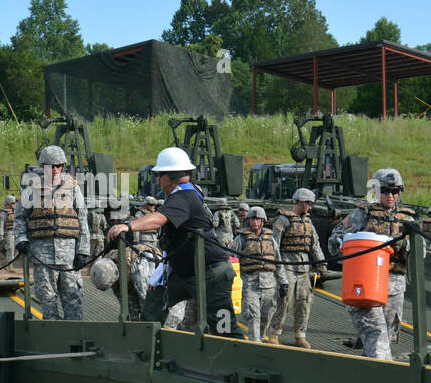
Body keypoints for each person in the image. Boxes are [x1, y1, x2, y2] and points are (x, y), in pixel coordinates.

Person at [107, 147, 236, 336]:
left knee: (224, 329)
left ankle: (236, 359)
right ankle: (148, 347)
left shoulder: (183, 197)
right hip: (185, 273)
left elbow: (159, 218)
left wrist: (128, 226)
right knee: (155, 301)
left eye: (160, 175)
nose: (158, 179)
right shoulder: (186, 193)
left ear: (172, 176)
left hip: (211, 274)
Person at [328, 168, 416, 360]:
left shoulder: (408, 218)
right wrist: (346, 241)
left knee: (385, 336)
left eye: (395, 191)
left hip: (395, 285)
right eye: (386, 191)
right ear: (376, 191)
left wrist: (405, 244)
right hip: (366, 283)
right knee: (376, 334)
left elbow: (422, 251)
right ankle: (386, 377)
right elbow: (334, 241)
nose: (391, 195)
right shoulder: (363, 214)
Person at [14, 145, 91, 321]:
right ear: (43, 166)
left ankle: (76, 341)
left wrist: (83, 250)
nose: (55, 169)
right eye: (50, 166)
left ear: (63, 166)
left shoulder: (73, 189)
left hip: (69, 257)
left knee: (73, 300)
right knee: (47, 301)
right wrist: (21, 238)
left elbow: (82, 218)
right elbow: (19, 217)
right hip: (43, 257)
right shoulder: (31, 190)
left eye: (58, 165)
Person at [269, 188, 327, 347]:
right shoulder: (283, 220)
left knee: (304, 301)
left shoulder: (308, 222)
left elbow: (315, 245)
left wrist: (321, 264)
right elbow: (275, 245)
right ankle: (274, 332)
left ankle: (300, 335)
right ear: (300, 202)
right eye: (308, 203)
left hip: (304, 267)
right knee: (284, 300)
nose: (310, 207)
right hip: (287, 265)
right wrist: (278, 269)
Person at [236, 207, 283, 343]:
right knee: (253, 315)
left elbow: (278, 262)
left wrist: (283, 281)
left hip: (269, 284)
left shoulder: (270, 239)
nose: (255, 222)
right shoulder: (241, 239)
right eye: (252, 219)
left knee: (266, 315)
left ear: (263, 221)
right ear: (248, 220)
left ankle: (261, 337)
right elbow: (232, 259)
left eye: (258, 219)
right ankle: (255, 343)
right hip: (249, 283)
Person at [89, 249, 152, 320]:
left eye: (112, 285)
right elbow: (125, 305)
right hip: (130, 280)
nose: (112, 287)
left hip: (150, 269)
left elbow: (147, 300)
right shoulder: (106, 267)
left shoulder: (138, 270)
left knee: (149, 314)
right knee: (130, 313)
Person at [0, 195, 18, 262]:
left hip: (16, 233)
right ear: (9, 203)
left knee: (16, 250)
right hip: (8, 234)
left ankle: (5, 260)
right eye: (13, 203)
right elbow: (0, 225)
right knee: (10, 249)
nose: (14, 204)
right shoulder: (3, 213)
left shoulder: (16, 211)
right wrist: (0, 235)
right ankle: (10, 265)